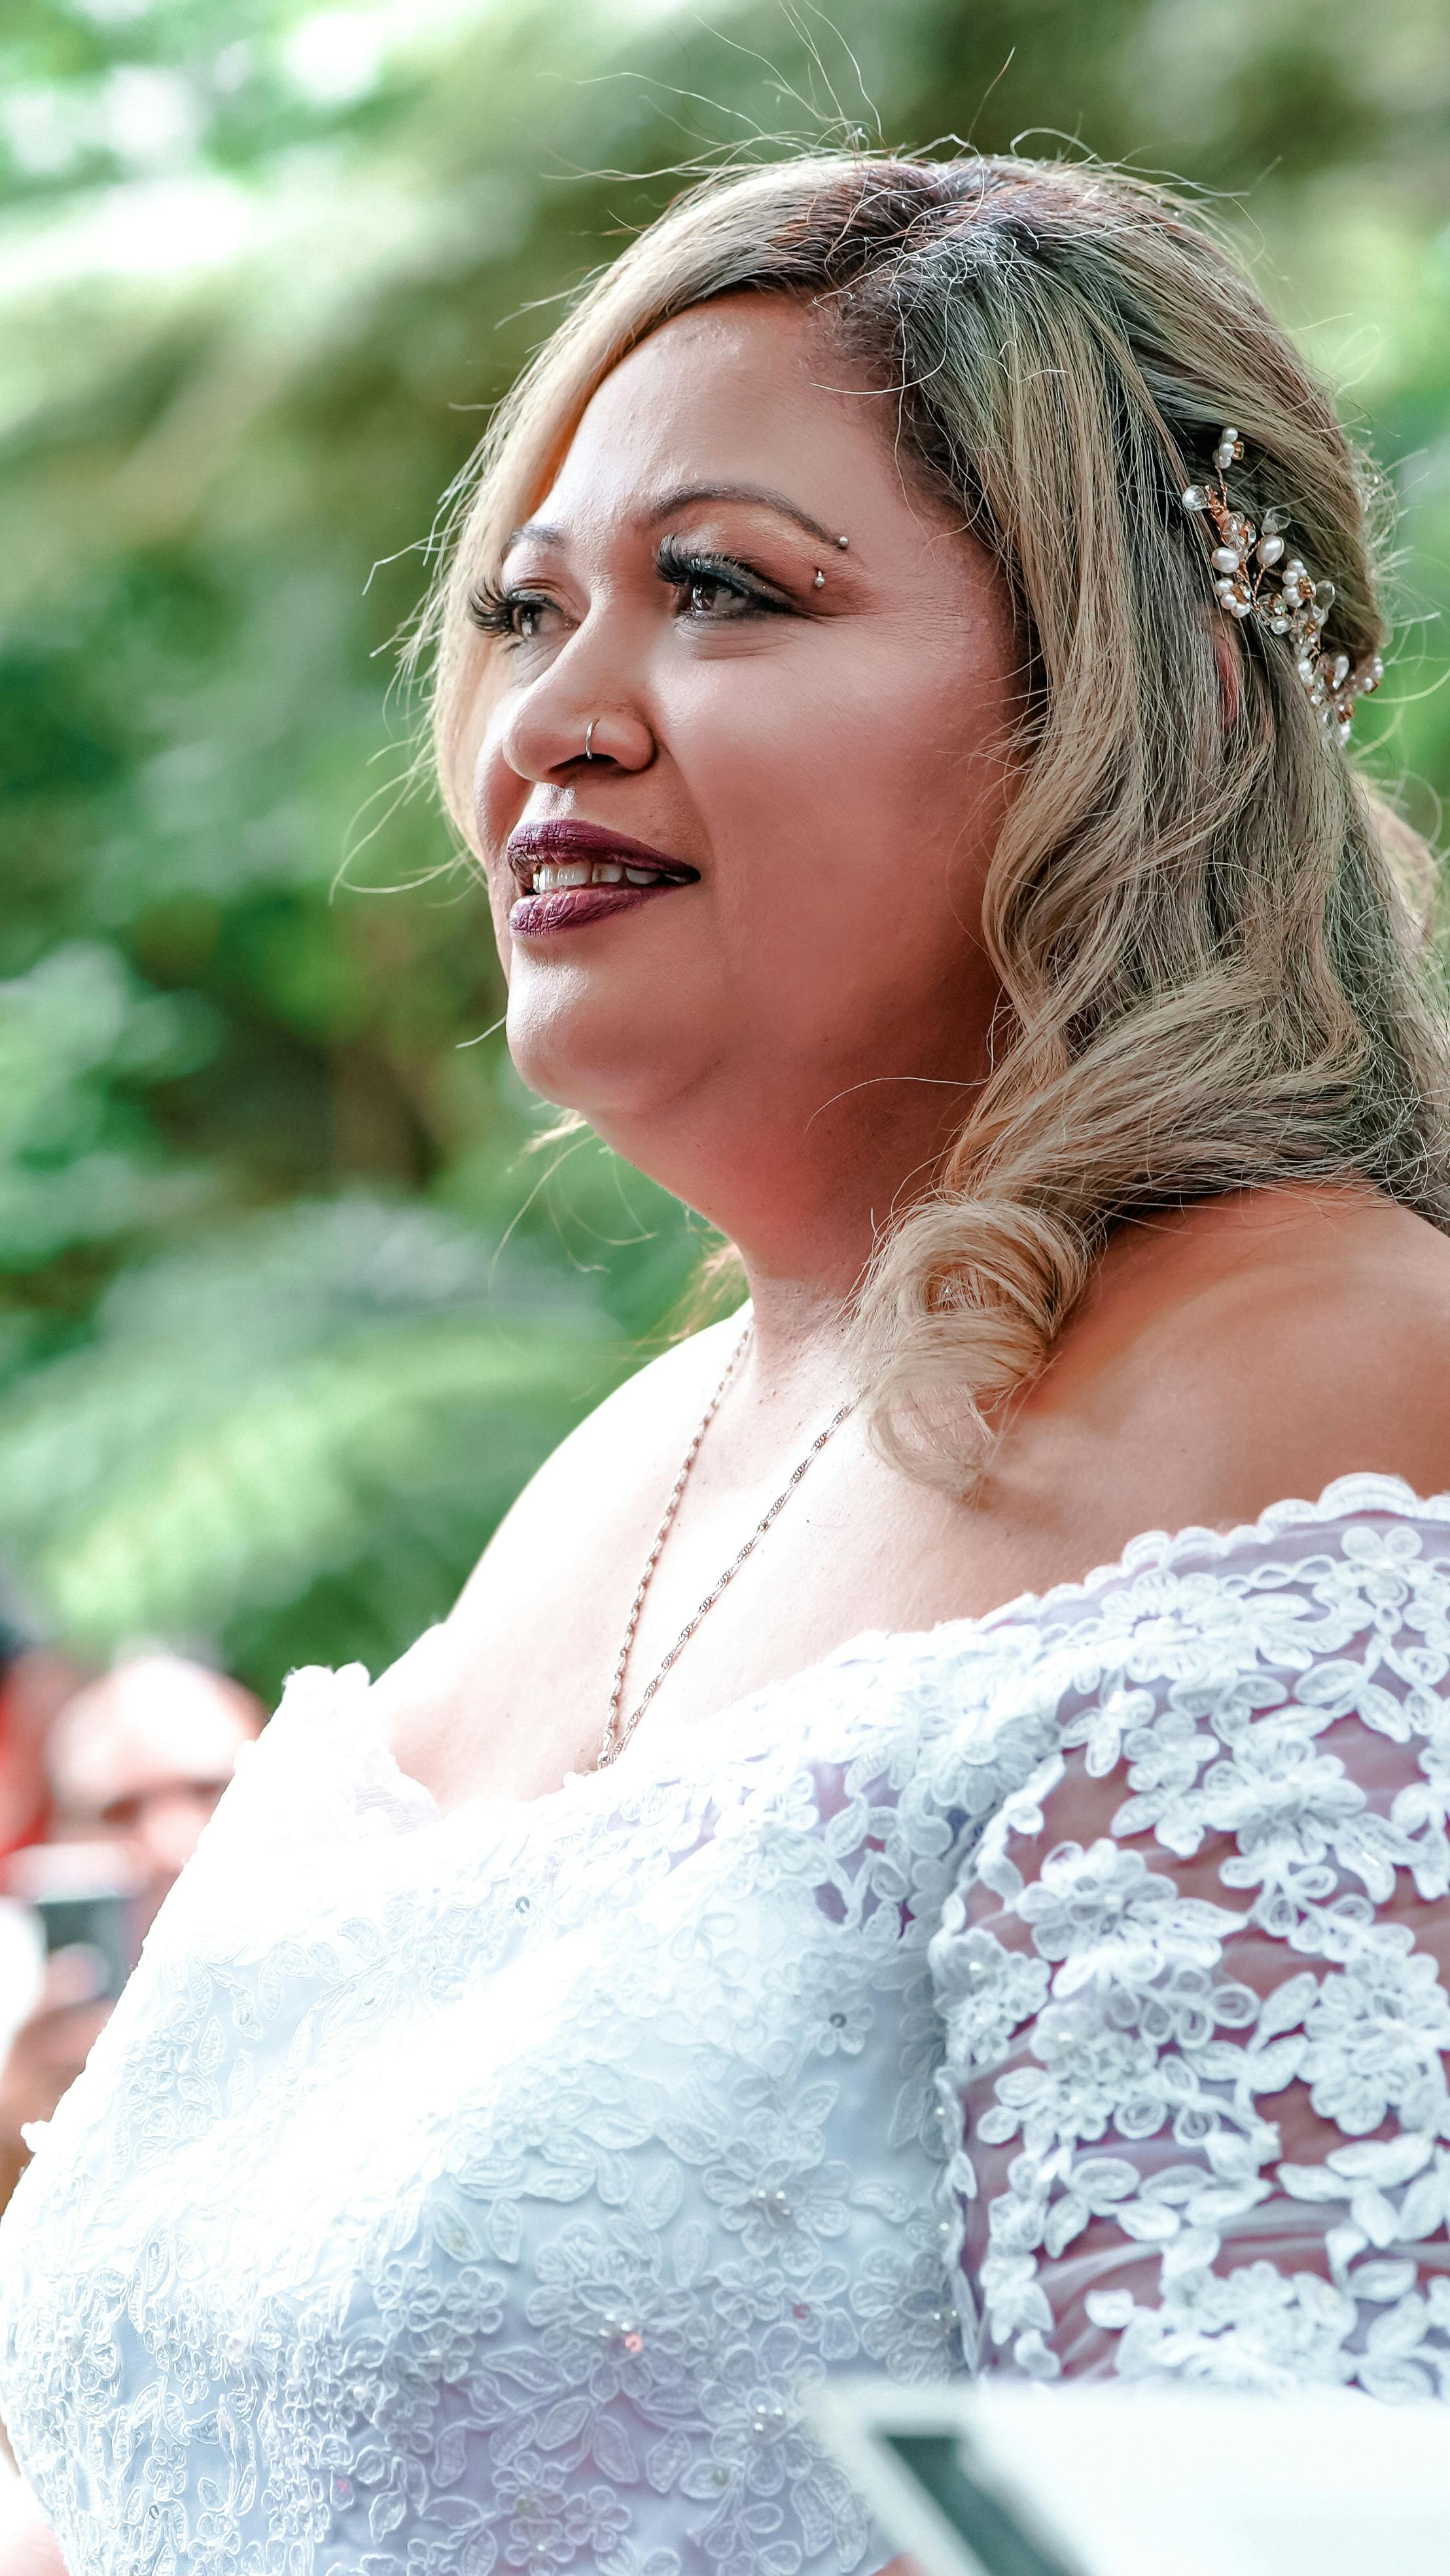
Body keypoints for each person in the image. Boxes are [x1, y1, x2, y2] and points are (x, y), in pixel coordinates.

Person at [1, 149, 1449, 2576]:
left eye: (725, 591)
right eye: (524, 607)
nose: (556, 714)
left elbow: (1261, 2527)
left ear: (1144, 688)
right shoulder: (630, 1464)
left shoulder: (1317, 1401)